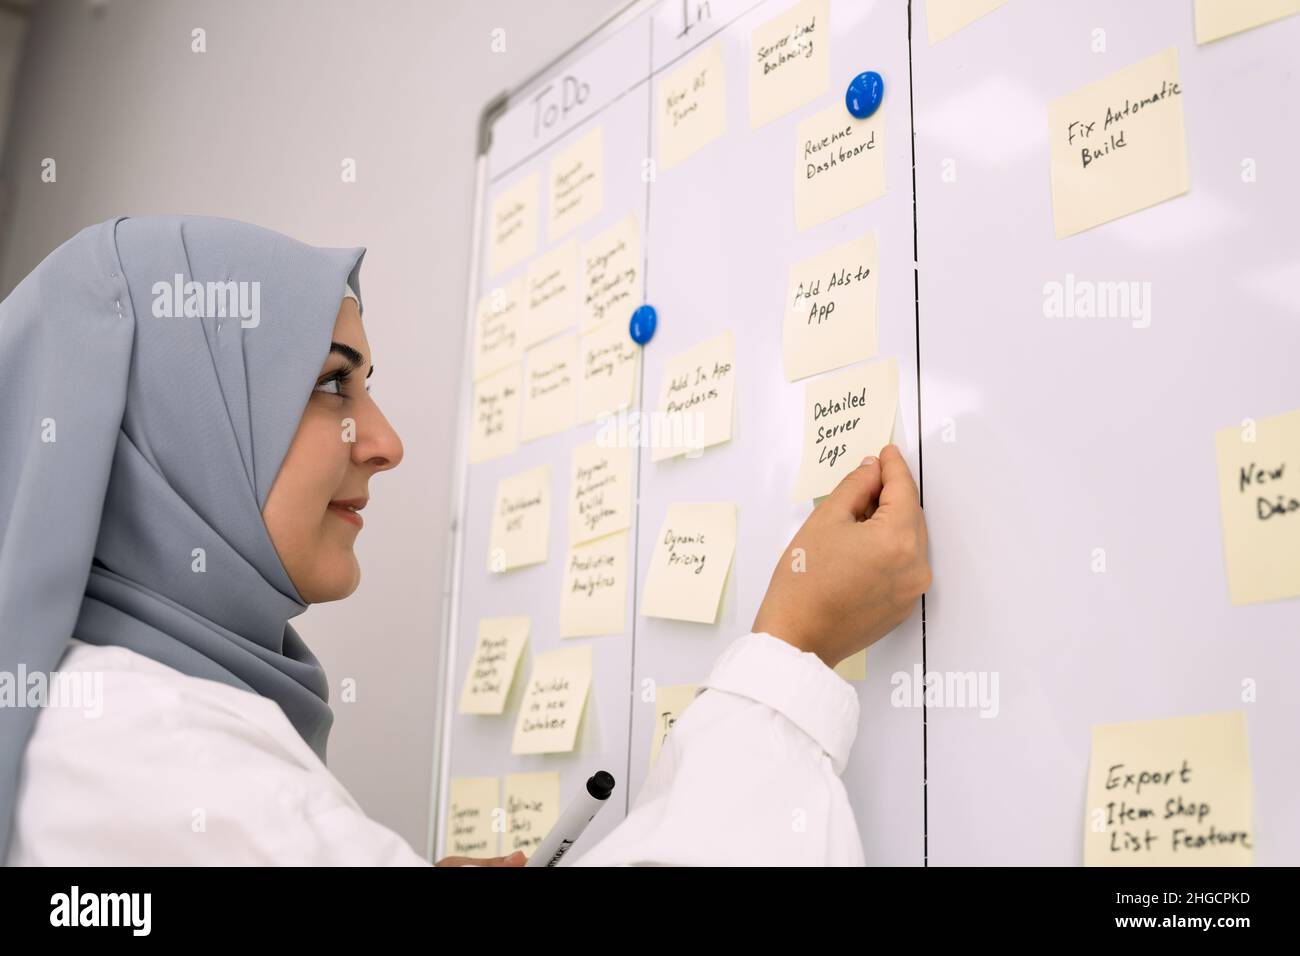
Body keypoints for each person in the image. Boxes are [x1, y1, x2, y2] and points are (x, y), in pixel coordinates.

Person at [0, 215, 929, 866]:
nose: (390, 441)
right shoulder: (142, 747)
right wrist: (791, 654)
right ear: (176, 426)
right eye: (333, 385)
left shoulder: (101, 715)